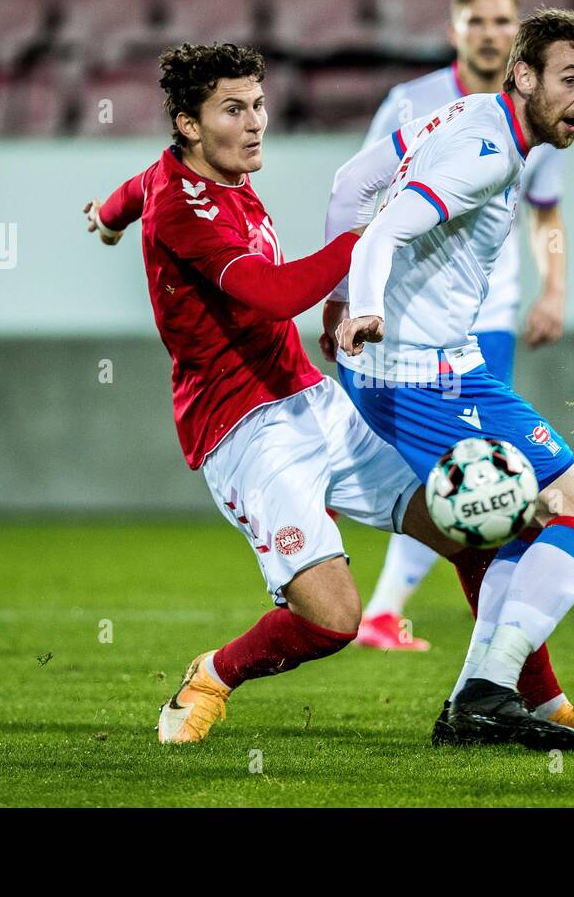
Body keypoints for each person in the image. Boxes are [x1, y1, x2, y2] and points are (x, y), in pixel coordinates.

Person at [82, 41, 471, 744]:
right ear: (189, 124)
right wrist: (367, 237)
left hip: (310, 398)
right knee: (333, 622)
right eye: (234, 109)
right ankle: (214, 675)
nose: (257, 122)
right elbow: (269, 294)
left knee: (468, 530)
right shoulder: (185, 207)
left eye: (259, 104)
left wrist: (108, 216)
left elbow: (135, 188)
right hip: (245, 431)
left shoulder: (187, 170)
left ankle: (513, 702)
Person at [325, 9, 574, 748]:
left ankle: (481, 705)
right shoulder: (491, 151)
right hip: (421, 380)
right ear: (525, 76)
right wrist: (361, 307)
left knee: (511, 532)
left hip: (437, 368)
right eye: (570, 79)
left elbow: (353, 179)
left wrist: (339, 306)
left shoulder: (470, 111)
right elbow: (384, 227)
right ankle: (490, 690)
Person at [349, 0, 572, 654]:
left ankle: (388, 613)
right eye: (476, 21)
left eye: (503, 21)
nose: (490, 32)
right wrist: (351, 295)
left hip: (486, 319)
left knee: (469, 476)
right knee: (444, 477)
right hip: (401, 324)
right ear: (455, 30)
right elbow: (364, 192)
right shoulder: (410, 103)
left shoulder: (532, 120)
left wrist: (554, 287)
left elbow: (545, 213)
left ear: (517, 37)